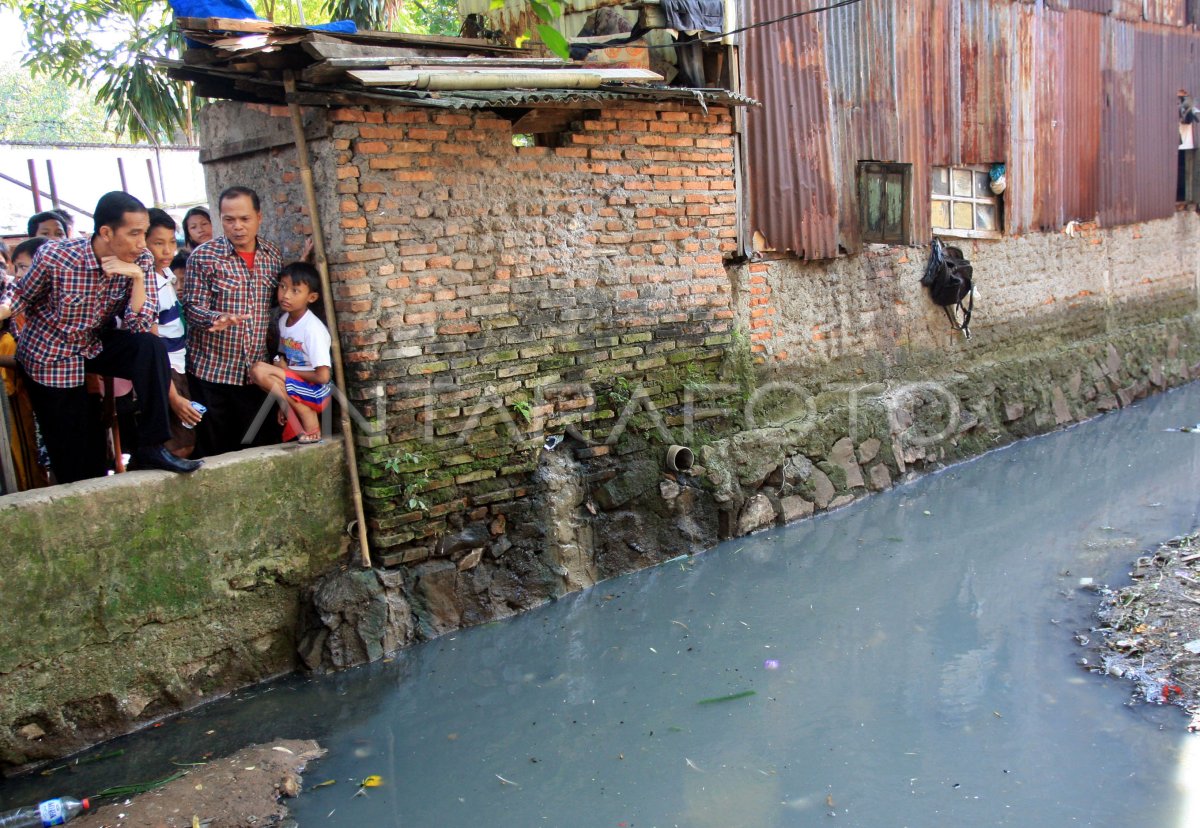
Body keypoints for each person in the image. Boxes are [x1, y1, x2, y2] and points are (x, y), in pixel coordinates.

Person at [0, 191, 202, 482]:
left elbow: (139, 322)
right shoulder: (57, 255)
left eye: (143, 233)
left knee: (149, 346)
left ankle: (152, 445)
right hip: (51, 354)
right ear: (106, 232)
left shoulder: (141, 260)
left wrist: (136, 277)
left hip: (94, 343)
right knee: (77, 454)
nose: (141, 242)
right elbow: (21, 295)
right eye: (134, 233)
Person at [182, 186, 283, 456]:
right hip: (212, 372)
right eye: (229, 220)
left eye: (244, 219)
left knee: (260, 446)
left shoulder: (272, 256)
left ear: (258, 217)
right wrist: (216, 317)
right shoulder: (203, 257)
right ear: (221, 219)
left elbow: (273, 301)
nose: (237, 226)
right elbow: (190, 307)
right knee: (216, 451)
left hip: (255, 373)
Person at [249, 262, 331, 444]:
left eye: (295, 291)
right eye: (283, 287)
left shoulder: (312, 329)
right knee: (261, 374)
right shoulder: (284, 320)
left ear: (312, 297)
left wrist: (286, 371)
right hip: (297, 387)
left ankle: (305, 413)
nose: (285, 295)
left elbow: (323, 377)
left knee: (258, 370)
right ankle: (300, 424)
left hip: (316, 392)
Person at [146, 208, 202, 456]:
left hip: (178, 363)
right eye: (158, 243)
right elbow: (152, 338)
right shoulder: (146, 283)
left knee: (186, 438)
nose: (167, 250)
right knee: (180, 444)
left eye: (171, 242)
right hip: (167, 366)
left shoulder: (166, 275)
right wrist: (172, 394)